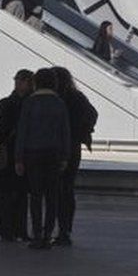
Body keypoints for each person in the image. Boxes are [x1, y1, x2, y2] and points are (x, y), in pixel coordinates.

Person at [15, 68, 70, 250]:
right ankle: (48, 235)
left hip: (33, 153)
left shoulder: (30, 103)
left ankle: (37, 234)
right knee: (52, 196)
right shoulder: (59, 103)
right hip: (53, 154)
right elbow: (64, 132)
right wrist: (64, 156)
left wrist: (19, 158)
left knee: (36, 196)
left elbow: (22, 131)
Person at [51, 67, 98, 247]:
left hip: (54, 147)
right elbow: (92, 115)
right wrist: (81, 133)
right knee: (67, 189)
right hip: (73, 148)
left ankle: (49, 228)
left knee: (53, 189)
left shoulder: (54, 99)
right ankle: (65, 230)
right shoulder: (77, 97)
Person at [0, 69, 33, 242]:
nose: (19, 83)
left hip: (7, 153)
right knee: (20, 194)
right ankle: (18, 229)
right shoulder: (32, 105)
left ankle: (5, 228)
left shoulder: (5, 104)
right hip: (22, 154)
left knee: (6, 193)